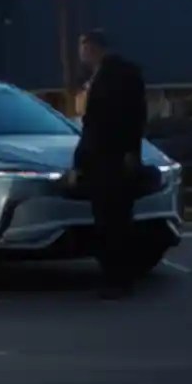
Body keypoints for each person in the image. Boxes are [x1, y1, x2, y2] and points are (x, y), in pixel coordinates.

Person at [72, 29, 147, 300]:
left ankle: (118, 278)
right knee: (109, 220)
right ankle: (115, 276)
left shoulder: (121, 75)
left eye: (82, 47)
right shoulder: (98, 77)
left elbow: (132, 117)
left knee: (113, 220)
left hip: (111, 159)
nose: (80, 54)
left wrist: (130, 151)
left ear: (92, 47)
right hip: (102, 158)